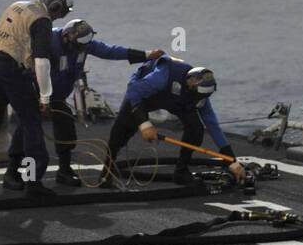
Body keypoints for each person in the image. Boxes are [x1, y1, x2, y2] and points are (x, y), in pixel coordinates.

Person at [0, 0, 73, 200]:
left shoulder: (18, 5)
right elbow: (41, 61)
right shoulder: (42, 21)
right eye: (62, 11)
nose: (61, 17)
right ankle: (33, 181)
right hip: (8, 68)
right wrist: (45, 96)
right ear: (56, 5)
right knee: (31, 122)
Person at [32, 18, 165, 185]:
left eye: (84, 46)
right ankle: (18, 175)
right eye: (79, 46)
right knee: (28, 135)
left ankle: (64, 171)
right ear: (67, 37)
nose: (82, 49)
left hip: (57, 97)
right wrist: (39, 96)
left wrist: (146, 55)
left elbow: (110, 51)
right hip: (34, 96)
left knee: (66, 131)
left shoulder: (84, 44)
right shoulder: (47, 41)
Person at [99, 56, 245, 187]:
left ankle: (181, 172)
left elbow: (213, 126)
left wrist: (232, 161)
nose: (200, 101)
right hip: (144, 97)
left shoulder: (200, 98)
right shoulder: (163, 76)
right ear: (191, 85)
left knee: (196, 129)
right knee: (121, 133)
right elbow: (134, 92)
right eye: (198, 96)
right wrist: (144, 124)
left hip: (177, 102)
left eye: (204, 98)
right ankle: (106, 173)